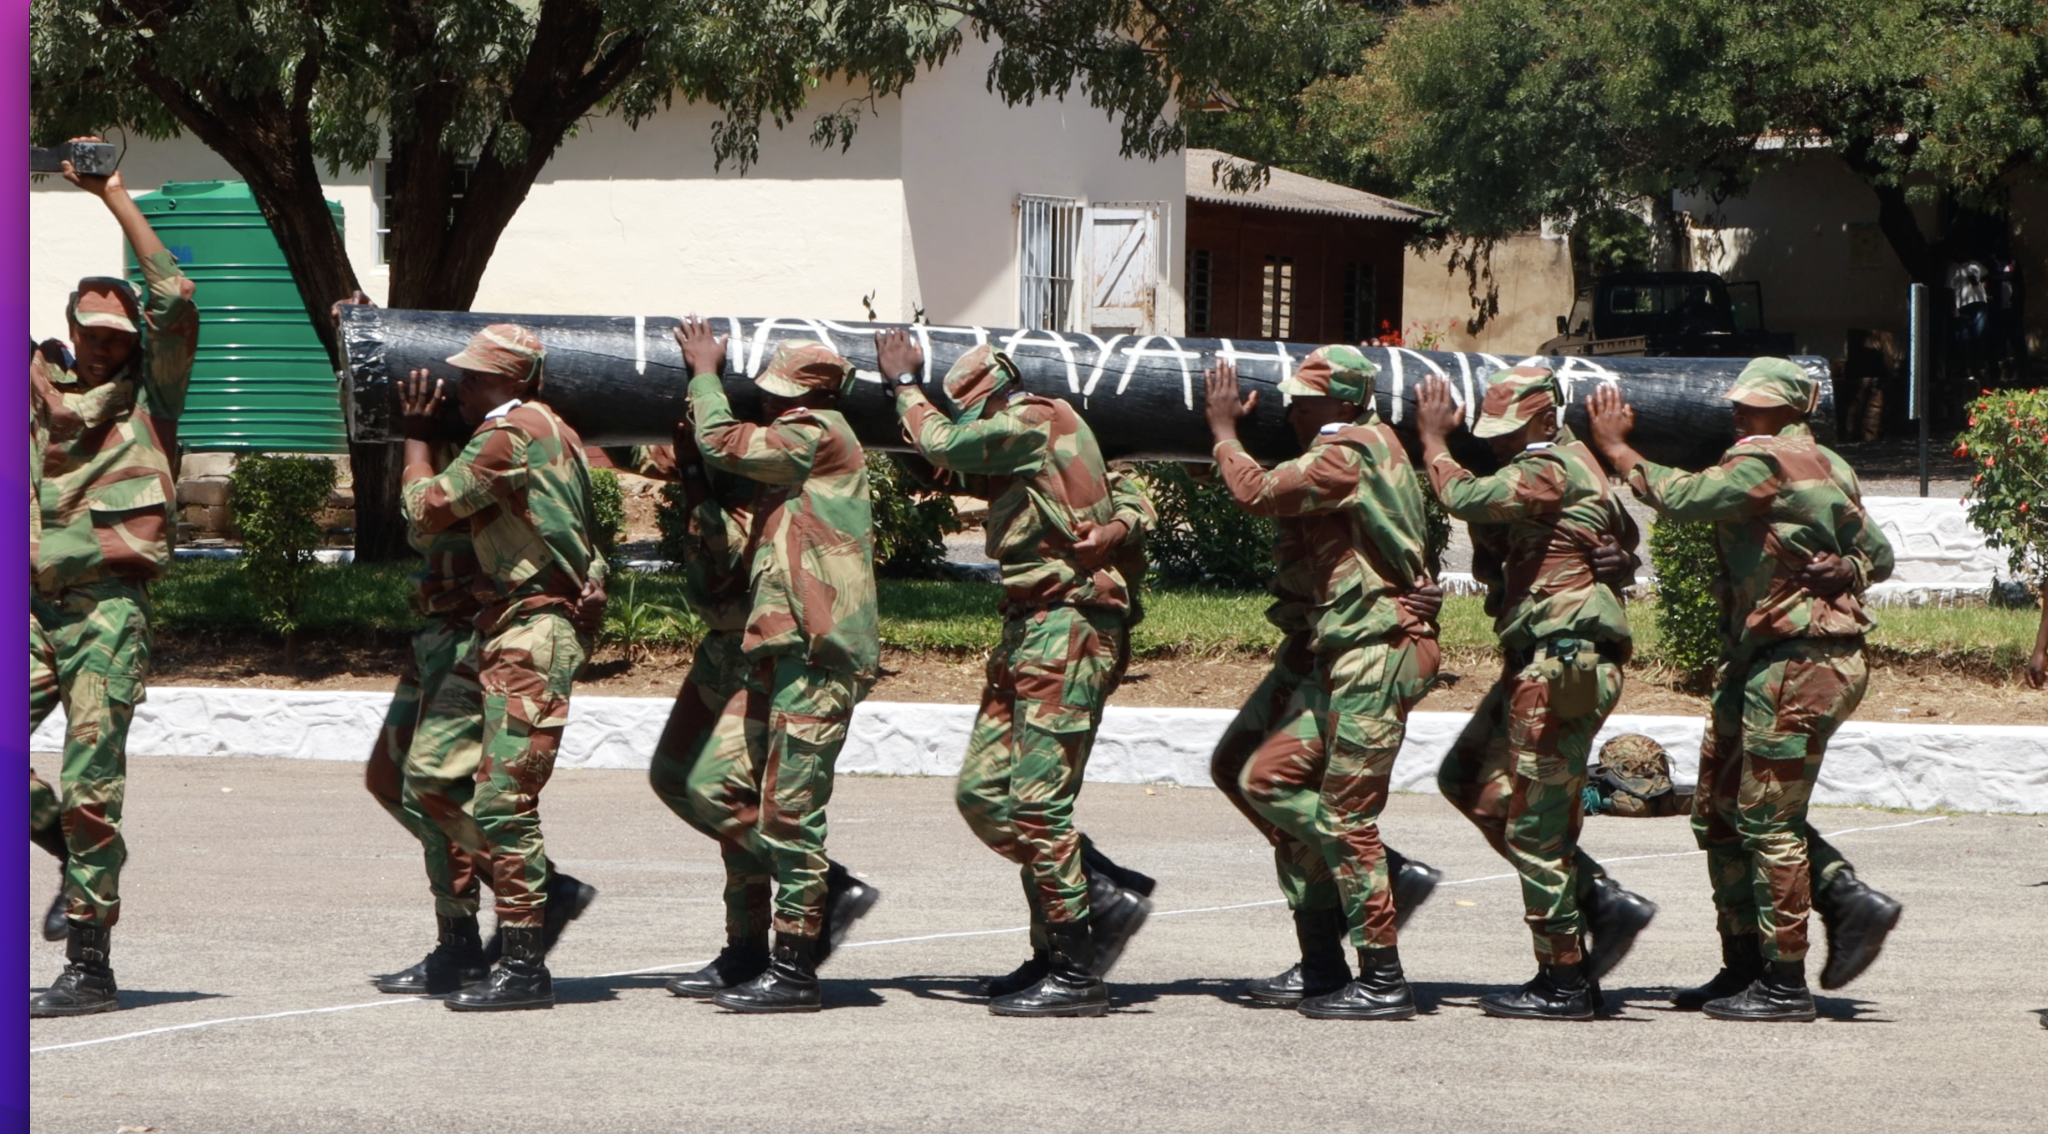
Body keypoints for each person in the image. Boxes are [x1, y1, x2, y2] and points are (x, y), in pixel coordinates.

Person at [1588, 357, 1905, 1022]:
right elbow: (1879, 552)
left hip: (1798, 661)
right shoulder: (1831, 466)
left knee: (1765, 820)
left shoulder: (1764, 463)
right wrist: (1846, 565)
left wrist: (1616, 446)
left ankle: (1785, 980)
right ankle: (1746, 965)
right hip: (1770, 660)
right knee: (1718, 812)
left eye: (1751, 405)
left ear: (1790, 411)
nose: (1736, 413)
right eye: (1736, 403)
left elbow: (1679, 498)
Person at [876, 330, 1157, 1018]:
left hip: (1067, 627)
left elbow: (944, 445)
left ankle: (1074, 966)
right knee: (983, 794)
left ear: (996, 402)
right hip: (1030, 625)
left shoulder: (1036, 420)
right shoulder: (1039, 445)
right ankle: (1090, 895)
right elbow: (947, 467)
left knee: (1036, 805)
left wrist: (902, 383)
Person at [1200, 347, 1439, 1021]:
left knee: (1345, 819)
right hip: (1344, 647)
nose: (1291, 407)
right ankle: (1324, 962)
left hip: (1375, 651)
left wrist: (1223, 430)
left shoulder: (1348, 453)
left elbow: (1254, 492)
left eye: (1307, 398)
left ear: (1344, 402)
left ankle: (1383, 979)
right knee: (1264, 778)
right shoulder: (1357, 448)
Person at [1414, 367, 1659, 1020]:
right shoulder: (1566, 466)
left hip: (1560, 665)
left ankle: (1564, 980)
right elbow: (1621, 536)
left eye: (1507, 433)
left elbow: (1462, 496)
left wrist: (1434, 440)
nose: (1495, 444)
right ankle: (1599, 899)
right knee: (1466, 778)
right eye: (1488, 434)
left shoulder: (1550, 466)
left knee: (1534, 827)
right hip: (1535, 661)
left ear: (1546, 421)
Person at [29, 141, 199, 1018]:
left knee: (93, 784)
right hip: (32, 611)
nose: (103, 350)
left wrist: (113, 194)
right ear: (69, 328)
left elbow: (176, 297)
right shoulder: (38, 386)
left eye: (117, 339)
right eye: (92, 334)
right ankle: (77, 851)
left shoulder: (152, 398)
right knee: (73, 810)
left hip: (106, 615)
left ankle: (90, 965)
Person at [677, 319, 883, 1013]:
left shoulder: (818, 432)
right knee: (714, 786)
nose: (765, 404)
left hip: (817, 658)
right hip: (774, 651)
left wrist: (704, 372)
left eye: (776, 395)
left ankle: (793, 968)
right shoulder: (790, 466)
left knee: (790, 815)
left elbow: (722, 440)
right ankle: (748, 949)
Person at [398, 323, 605, 1011]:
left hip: (533, 630)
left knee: (504, 801)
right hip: (510, 625)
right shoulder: (551, 429)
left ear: (511, 380)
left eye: (475, 376)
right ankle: (527, 910)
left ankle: (523, 965)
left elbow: (425, 511)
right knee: (429, 778)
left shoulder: (510, 433)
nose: (460, 385)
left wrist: (415, 440)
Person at [333, 295, 501, 998]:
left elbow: (422, 518)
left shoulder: (496, 446)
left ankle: (473, 929)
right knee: (387, 780)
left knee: (433, 786)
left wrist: (415, 437)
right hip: (432, 633)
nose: (442, 391)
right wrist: (373, 327)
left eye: (462, 381)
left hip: (469, 636)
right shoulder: (459, 431)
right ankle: (514, 895)